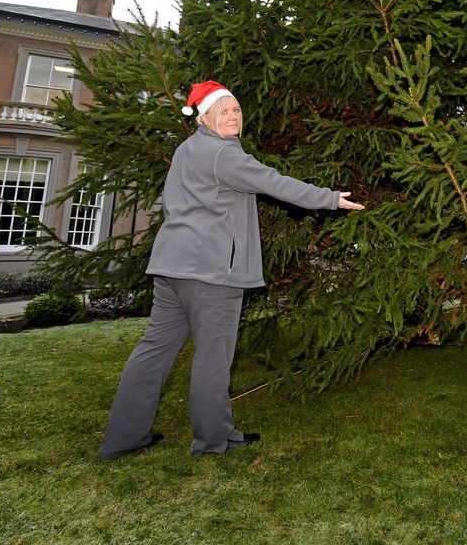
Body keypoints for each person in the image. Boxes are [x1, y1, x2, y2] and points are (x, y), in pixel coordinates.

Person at [99, 80, 364, 460]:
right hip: (211, 273)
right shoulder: (224, 155)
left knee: (152, 353)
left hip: (172, 268)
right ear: (205, 117)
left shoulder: (187, 150)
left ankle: (123, 438)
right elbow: (274, 182)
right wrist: (330, 198)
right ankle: (212, 441)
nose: (233, 116)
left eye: (236, 109)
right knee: (213, 356)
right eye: (224, 110)